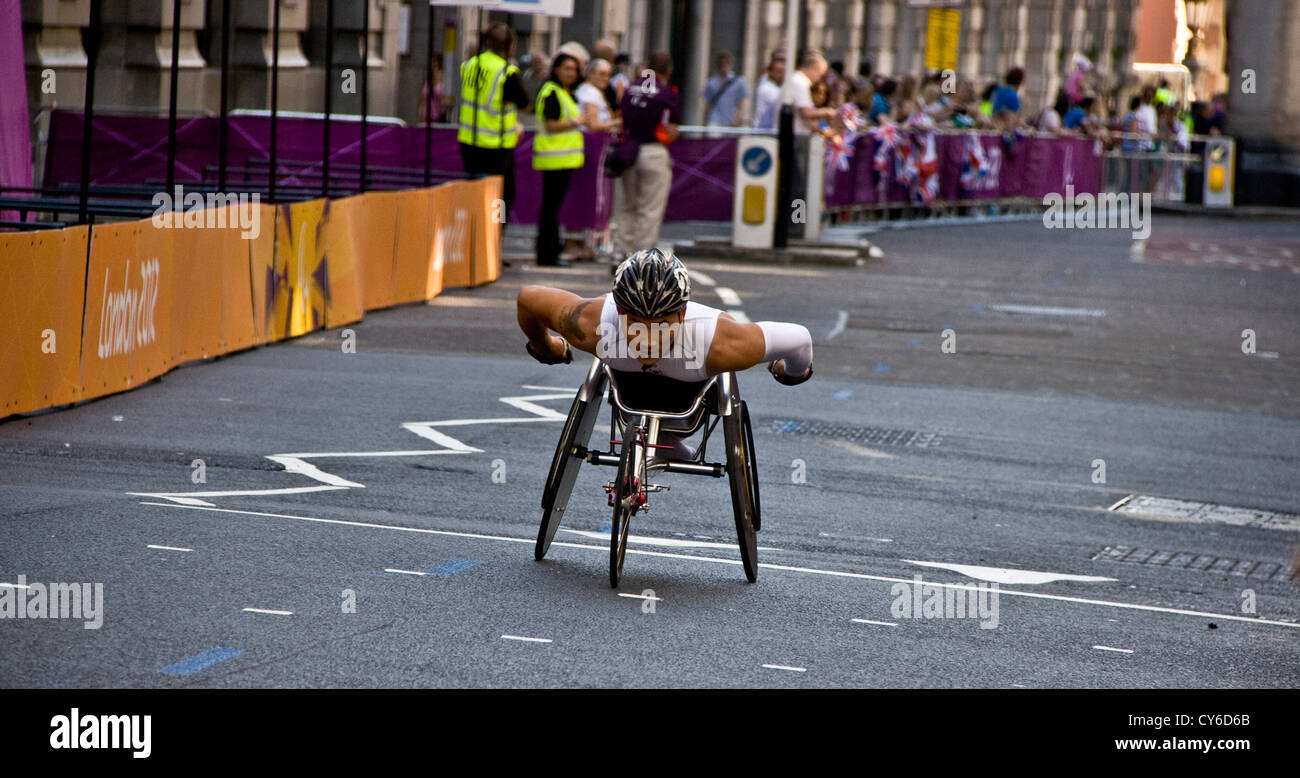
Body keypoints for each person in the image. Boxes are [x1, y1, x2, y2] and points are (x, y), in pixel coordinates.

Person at [516, 249, 814, 458]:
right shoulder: (591, 324)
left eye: (661, 324)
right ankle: (664, 441)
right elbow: (527, 298)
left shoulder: (722, 342)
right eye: (635, 323)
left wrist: (790, 373)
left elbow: (800, 340)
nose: (648, 338)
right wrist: (546, 345)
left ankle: (669, 440)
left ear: (683, 313)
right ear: (618, 311)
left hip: (688, 402)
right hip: (629, 393)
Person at [458, 23, 531, 229]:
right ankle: (492, 242)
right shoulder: (505, 71)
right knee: (501, 198)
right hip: (495, 145)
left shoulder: (470, 65)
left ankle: (476, 241)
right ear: (511, 46)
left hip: (469, 141)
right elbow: (525, 103)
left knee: (475, 196)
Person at [614, 51, 680, 259]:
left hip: (628, 152)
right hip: (654, 151)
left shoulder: (630, 88)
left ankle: (619, 253)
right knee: (650, 209)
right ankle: (640, 258)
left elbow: (620, 117)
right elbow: (671, 129)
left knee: (628, 205)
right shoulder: (667, 93)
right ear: (668, 70)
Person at [532, 54, 591, 267]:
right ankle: (547, 255)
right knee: (550, 210)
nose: (571, 73)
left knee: (552, 209)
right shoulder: (552, 92)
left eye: (574, 69)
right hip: (554, 160)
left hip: (562, 160)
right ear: (556, 69)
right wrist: (577, 121)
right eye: (567, 68)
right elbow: (551, 125)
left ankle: (549, 254)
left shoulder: (564, 91)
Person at [703, 51, 749, 129]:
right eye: (721, 64)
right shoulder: (711, 82)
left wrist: (738, 118)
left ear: (731, 64)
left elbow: (741, 103)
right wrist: (704, 122)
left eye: (726, 63)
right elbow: (707, 104)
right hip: (715, 119)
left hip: (731, 120)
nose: (724, 66)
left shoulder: (739, 82)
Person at [576, 59, 621, 133]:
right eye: (602, 74)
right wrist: (617, 122)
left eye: (609, 75)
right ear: (590, 74)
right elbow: (593, 125)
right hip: (591, 140)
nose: (606, 78)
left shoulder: (593, 90)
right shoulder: (589, 92)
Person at [751, 50, 786, 130]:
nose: (781, 75)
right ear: (771, 72)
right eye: (779, 72)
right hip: (764, 131)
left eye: (783, 72)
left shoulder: (780, 86)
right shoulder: (766, 88)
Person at [419, 57, 446, 124]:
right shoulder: (427, 81)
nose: (433, 68)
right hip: (425, 118)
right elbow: (422, 99)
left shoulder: (443, 80)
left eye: (435, 65)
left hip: (438, 118)